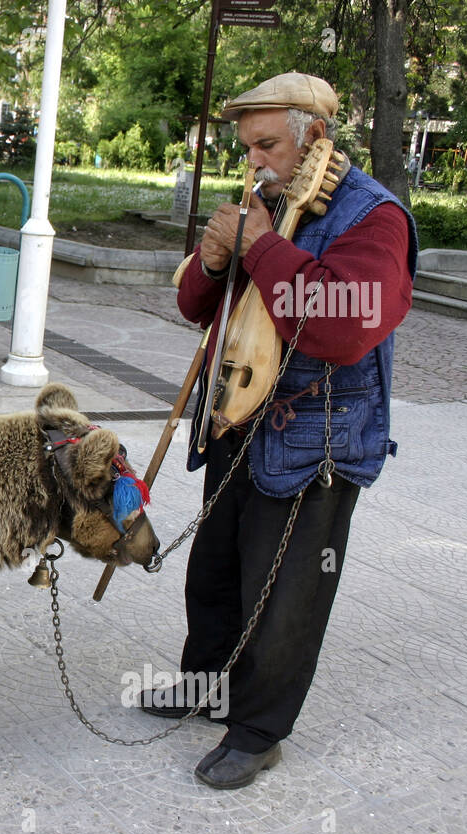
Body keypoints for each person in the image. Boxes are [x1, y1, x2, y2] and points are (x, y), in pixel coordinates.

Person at [148, 72, 417, 789]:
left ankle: (259, 730)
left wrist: (262, 247)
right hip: (238, 415)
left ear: (314, 137)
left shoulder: (374, 218)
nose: (254, 162)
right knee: (217, 572)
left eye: (266, 145)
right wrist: (210, 263)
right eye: (246, 147)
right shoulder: (263, 201)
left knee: (286, 592)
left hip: (314, 441)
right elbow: (200, 307)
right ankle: (208, 685)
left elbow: (342, 325)